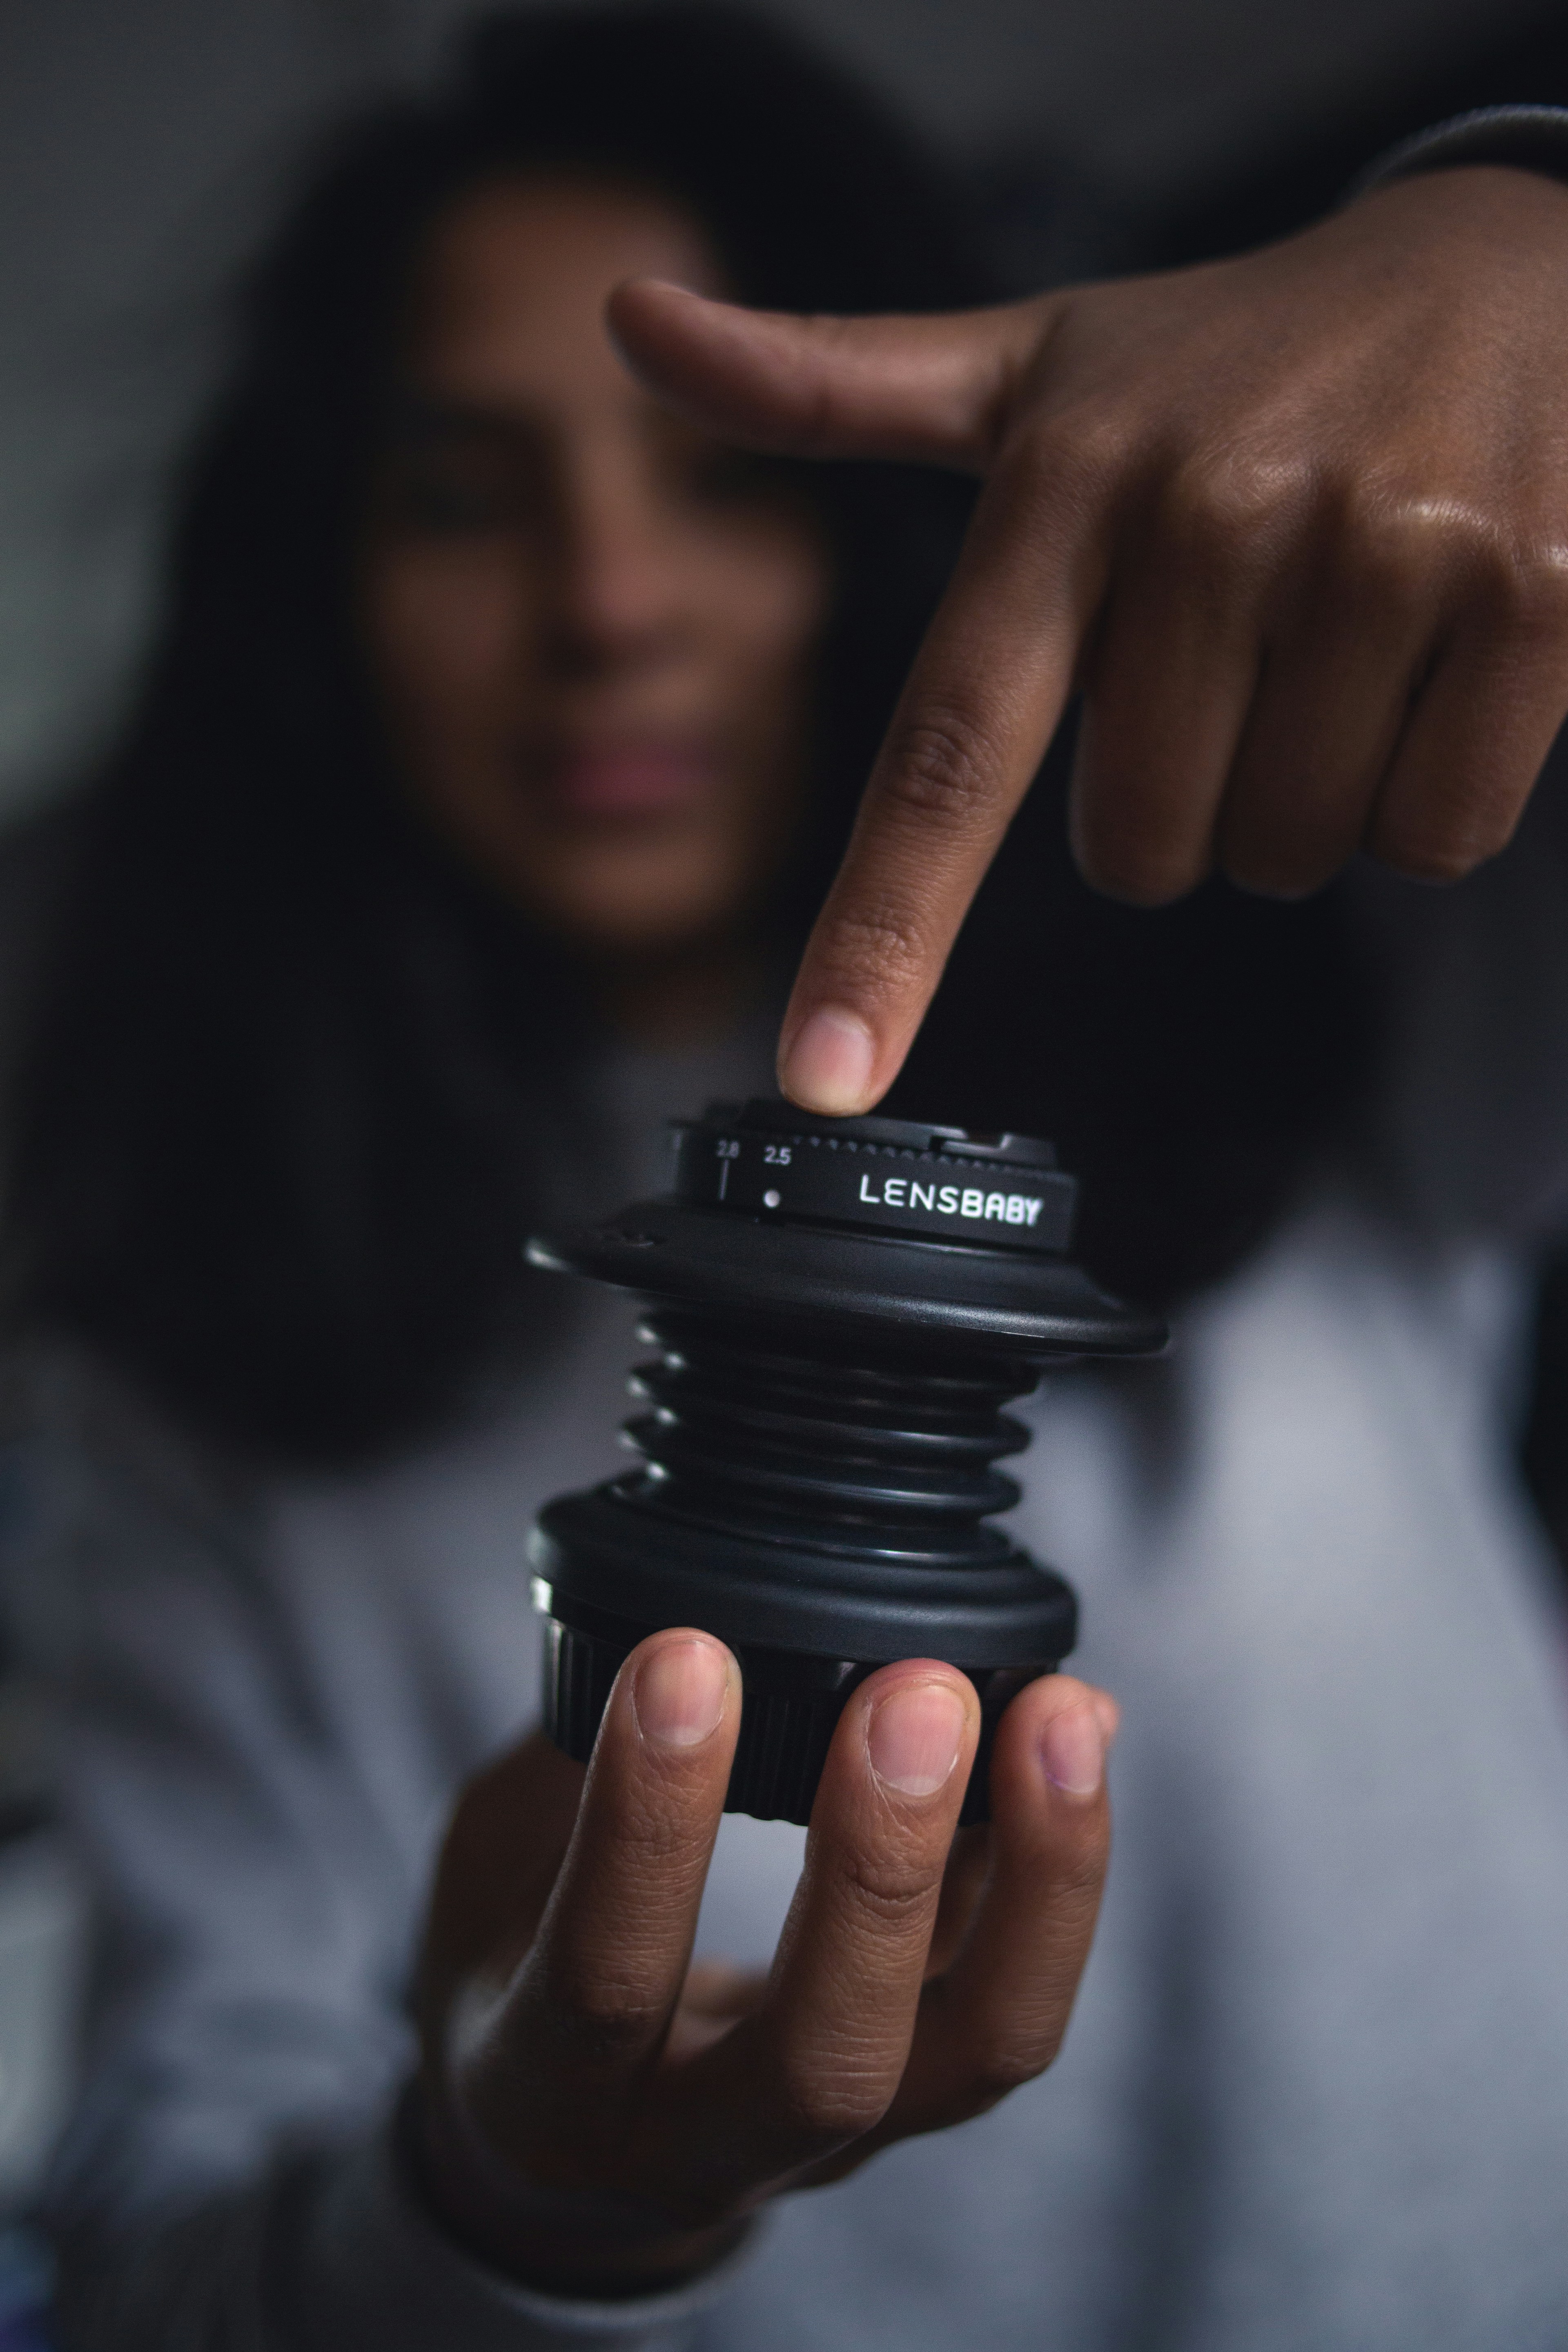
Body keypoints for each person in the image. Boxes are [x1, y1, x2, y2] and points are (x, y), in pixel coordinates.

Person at [3, 6, 1568, 2348]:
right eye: (462, 492)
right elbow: (146, 2271)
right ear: (320, 608)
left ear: (885, 543)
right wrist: (517, 2200)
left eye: (711, 481)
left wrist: (1525, 221)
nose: (604, 602)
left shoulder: (1328, 965)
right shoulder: (188, 1386)